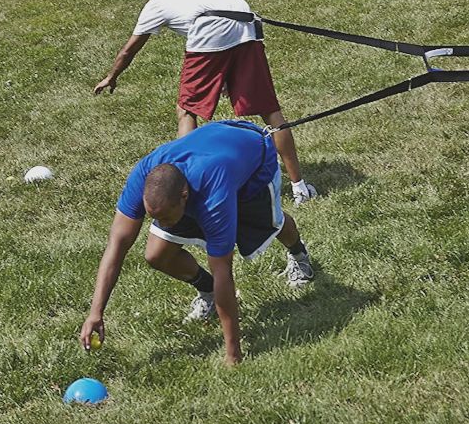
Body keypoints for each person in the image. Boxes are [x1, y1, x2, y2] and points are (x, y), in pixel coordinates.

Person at [78, 120, 315, 365]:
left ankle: (299, 254)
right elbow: (116, 245)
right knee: (157, 254)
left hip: (253, 160)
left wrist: (233, 355)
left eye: (166, 217)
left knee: (269, 224)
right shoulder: (145, 176)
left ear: (184, 197)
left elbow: (223, 269)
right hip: (206, 155)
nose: (162, 223)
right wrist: (96, 312)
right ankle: (207, 290)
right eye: (155, 217)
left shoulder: (214, 196)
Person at [93, 0, 318, 205]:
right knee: (270, 111)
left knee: (186, 110)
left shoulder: (157, 1)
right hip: (247, 26)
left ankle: (186, 189)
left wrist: (112, 76)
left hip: (211, 28)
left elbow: (130, 48)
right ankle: (300, 188)